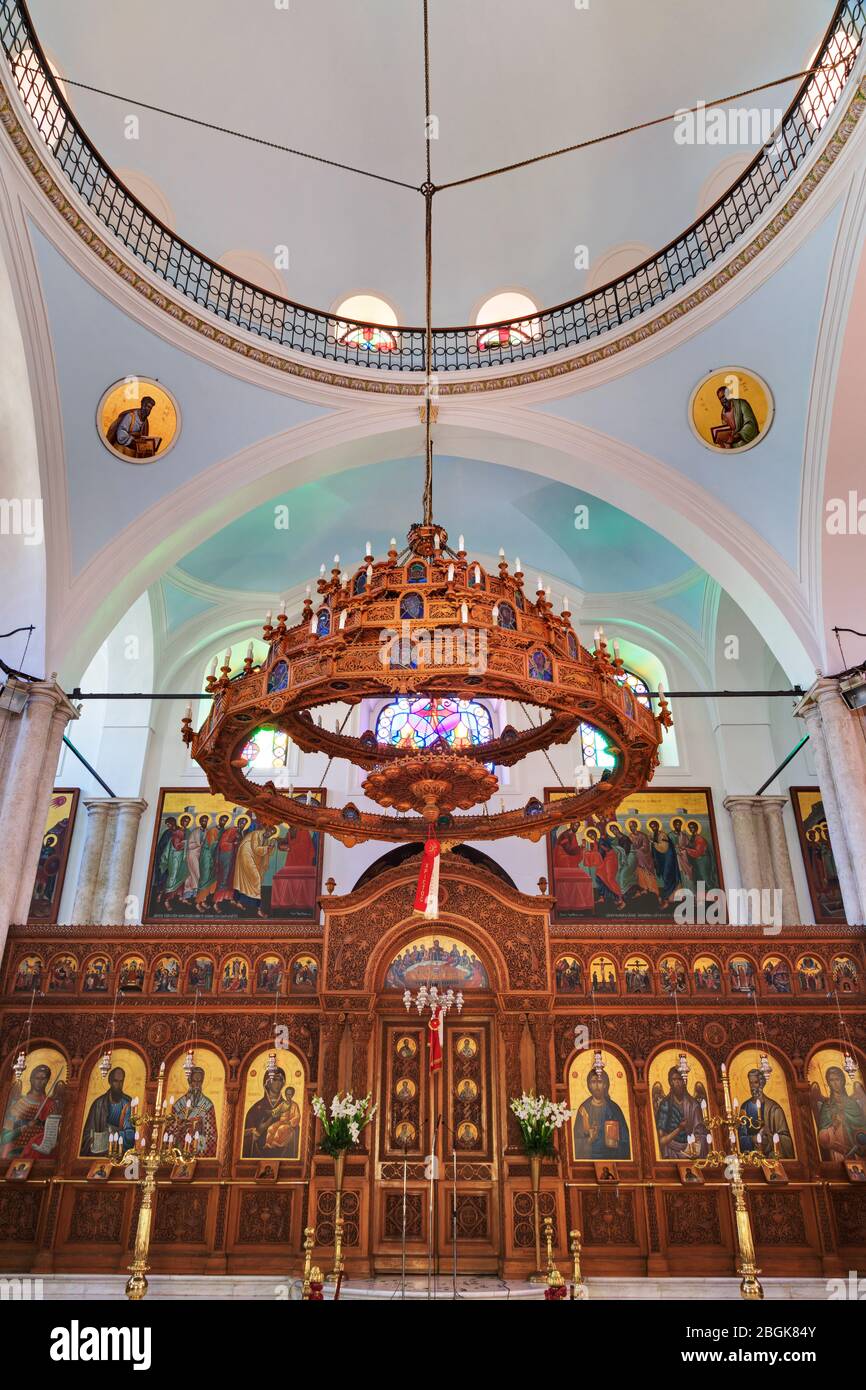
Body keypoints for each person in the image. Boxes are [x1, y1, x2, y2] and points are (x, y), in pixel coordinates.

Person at [0, 1064, 66, 1159]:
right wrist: (24, 1127)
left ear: (47, 1081)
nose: (40, 1082)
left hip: (39, 1152)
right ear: (31, 1079)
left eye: (44, 1078)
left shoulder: (51, 1104)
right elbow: (4, 1137)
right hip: (16, 1151)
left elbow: (55, 1132)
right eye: (37, 1078)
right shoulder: (19, 1104)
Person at [811, 1065, 866, 1161]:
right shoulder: (827, 1106)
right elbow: (822, 1137)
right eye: (832, 1080)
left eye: (838, 1079)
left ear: (843, 1081)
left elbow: (862, 1125)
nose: (835, 1083)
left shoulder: (852, 1104)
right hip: (839, 1152)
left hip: (858, 1150)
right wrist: (835, 1124)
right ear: (828, 1083)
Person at [573, 1068, 630, 1159]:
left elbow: (626, 1139)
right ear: (589, 1085)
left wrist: (615, 1143)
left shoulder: (614, 1109)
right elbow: (575, 1141)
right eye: (593, 1082)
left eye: (599, 1081)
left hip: (611, 1156)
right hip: (590, 1158)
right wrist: (589, 1140)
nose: (596, 1086)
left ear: (605, 1085)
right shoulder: (583, 1109)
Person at [243, 1069, 300, 1159]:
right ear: (267, 1083)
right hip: (256, 1160)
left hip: (285, 1160)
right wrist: (258, 1132)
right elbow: (243, 1140)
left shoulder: (290, 1106)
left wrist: (290, 1130)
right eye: (274, 1079)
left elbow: (296, 1128)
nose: (278, 1083)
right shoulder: (255, 1109)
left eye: (280, 1080)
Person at [653, 1066, 708, 1158]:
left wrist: (697, 1142)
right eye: (674, 1079)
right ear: (670, 1082)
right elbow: (661, 1140)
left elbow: (701, 1132)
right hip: (672, 1151)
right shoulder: (665, 1105)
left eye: (680, 1079)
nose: (677, 1083)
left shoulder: (694, 1105)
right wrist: (679, 1128)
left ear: (684, 1082)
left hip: (692, 1151)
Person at [738, 1069, 794, 1158]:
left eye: (755, 1083)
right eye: (750, 1083)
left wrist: (770, 1135)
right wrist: (753, 1139)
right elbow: (740, 1138)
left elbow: (787, 1141)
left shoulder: (775, 1109)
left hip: (772, 1158)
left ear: (761, 1084)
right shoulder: (744, 1107)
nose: (752, 1086)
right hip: (751, 1158)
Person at [81, 1067, 135, 1156]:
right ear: (110, 1082)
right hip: (99, 1153)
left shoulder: (127, 1103)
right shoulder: (98, 1104)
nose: (119, 1085)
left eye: (121, 1081)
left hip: (120, 1153)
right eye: (115, 1081)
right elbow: (87, 1134)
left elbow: (131, 1134)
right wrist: (93, 1140)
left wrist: (114, 1133)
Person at [172, 1067, 218, 1157]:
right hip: (179, 1150)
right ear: (189, 1081)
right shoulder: (178, 1105)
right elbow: (170, 1129)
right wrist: (180, 1126)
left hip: (198, 1150)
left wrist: (200, 1128)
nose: (197, 1084)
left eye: (200, 1081)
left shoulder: (207, 1105)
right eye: (194, 1081)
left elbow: (211, 1134)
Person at [710, 384, 759, 449]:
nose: (723, 400)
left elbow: (751, 424)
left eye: (724, 396)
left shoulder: (742, 403)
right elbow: (727, 430)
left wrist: (738, 435)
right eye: (721, 398)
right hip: (733, 444)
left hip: (748, 442)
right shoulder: (723, 413)